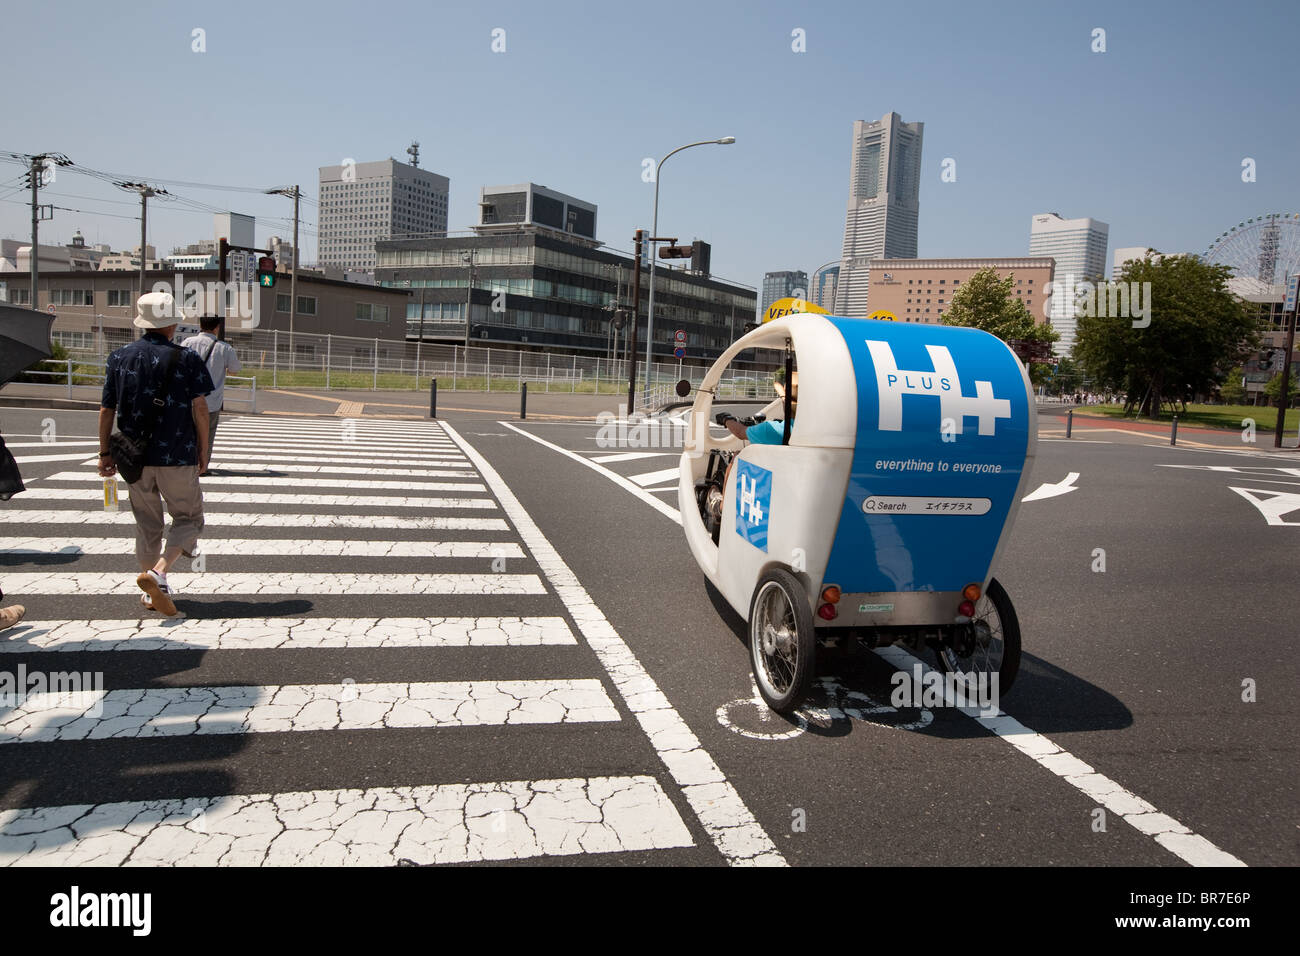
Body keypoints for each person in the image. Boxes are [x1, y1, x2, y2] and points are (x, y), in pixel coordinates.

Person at [98, 292, 215, 617]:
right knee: (189, 518)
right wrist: (204, 449)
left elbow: (107, 409)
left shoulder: (119, 357)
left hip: (133, 457)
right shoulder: (186, 358)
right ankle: (158, 573)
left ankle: (151, 595)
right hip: (176, 453)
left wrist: (105, 452)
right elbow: (201, 408)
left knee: (147, 524)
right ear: (172, 322)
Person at [181, 315, 241, 476]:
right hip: (212, 400)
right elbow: (235, 369)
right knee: (208, 433)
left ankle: (188, 463)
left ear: (200, 325)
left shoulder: (187, 343)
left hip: (188, 398)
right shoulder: (224, 347)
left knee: (188, 431)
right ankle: (203, 465)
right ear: (217, 327)